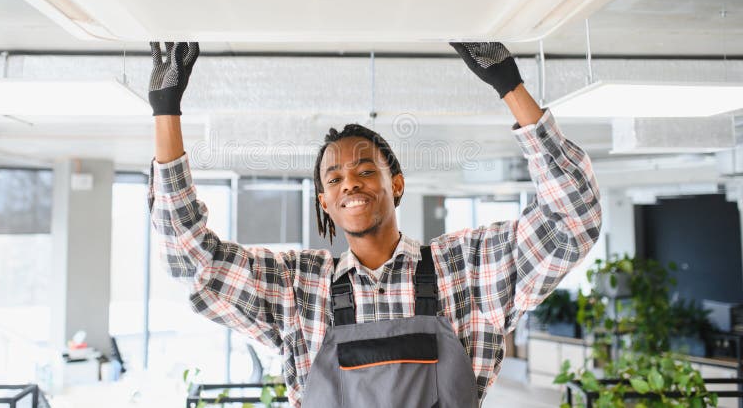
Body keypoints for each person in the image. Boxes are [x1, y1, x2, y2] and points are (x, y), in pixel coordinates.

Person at [148, 41, 602, 407]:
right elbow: (192, 263)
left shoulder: (467, 270)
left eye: (366, 171)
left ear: (397, 184)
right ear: (324, 202)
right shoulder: (299, 289)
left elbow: (573, 219)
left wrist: (509, 85)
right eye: (335, 178)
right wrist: (165, 109)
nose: (351, 184)